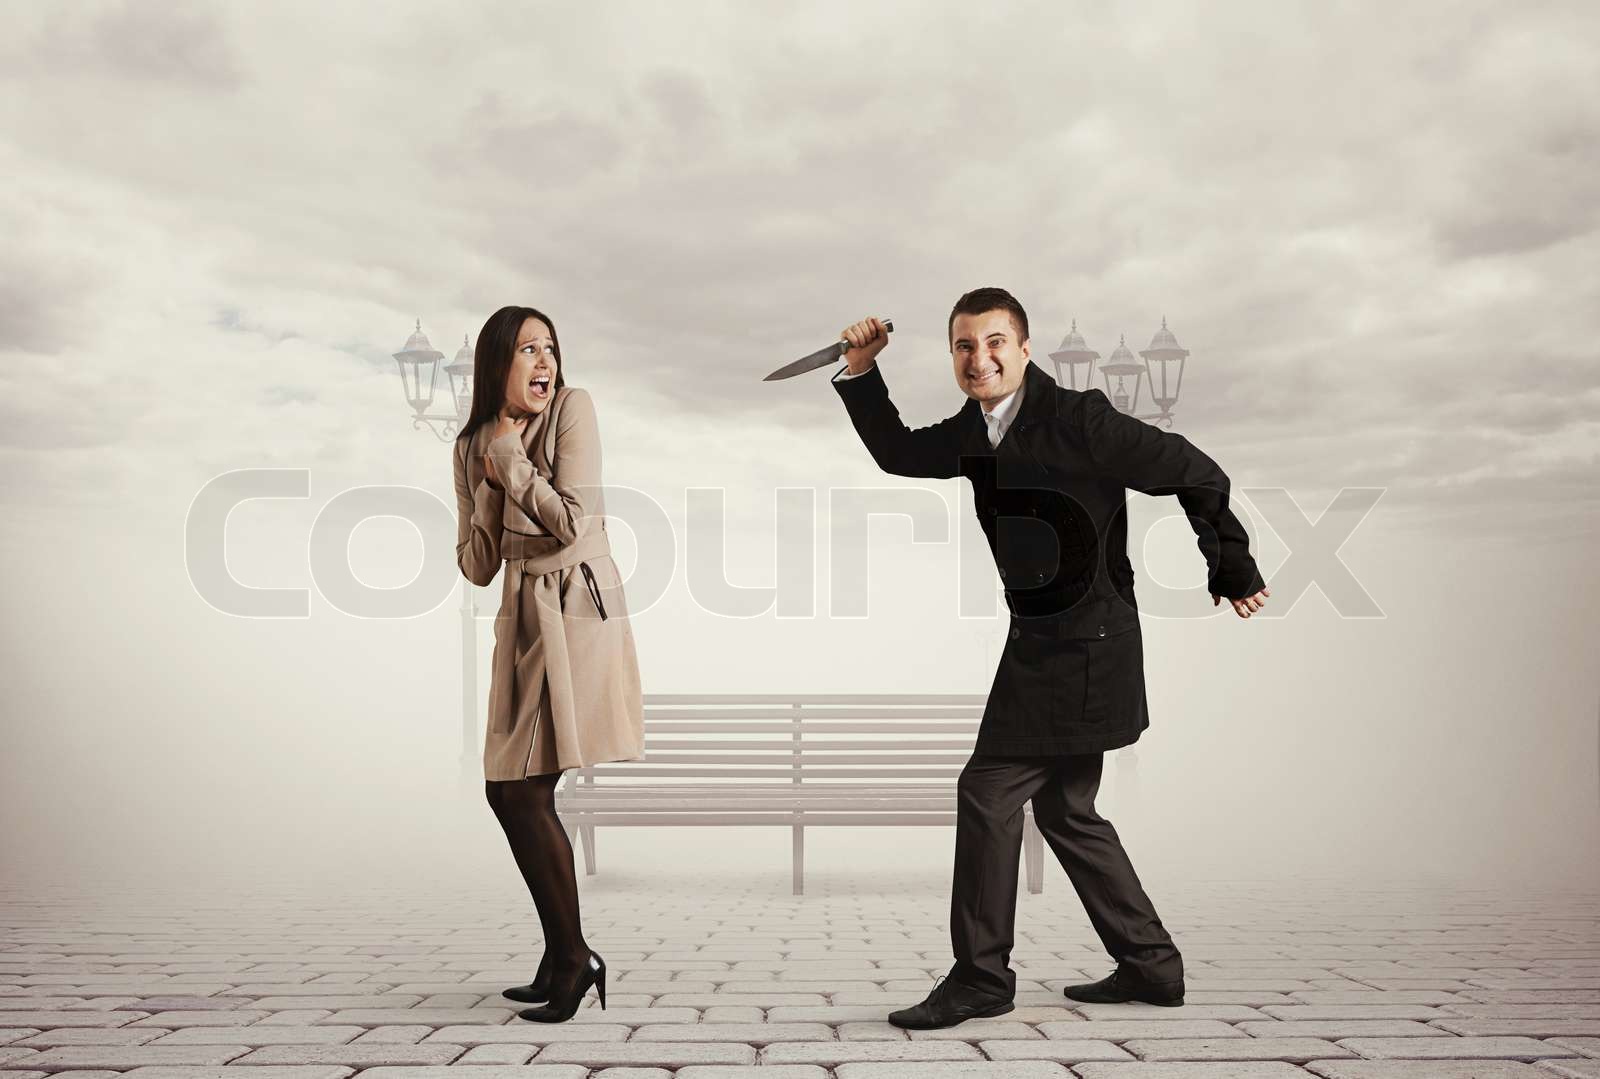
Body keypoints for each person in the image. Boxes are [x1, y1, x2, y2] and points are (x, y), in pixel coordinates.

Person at [830, 289, 1269, 1030]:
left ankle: (980, 978)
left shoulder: (1081, 420)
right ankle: (1151, 965)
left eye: (995, 342)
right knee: (1066, 809)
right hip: (1039, 642)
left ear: (1026, 349)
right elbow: (899, 451)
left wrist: (1229, 565)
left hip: (1089, 646)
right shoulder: (974, 431)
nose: (981, 358)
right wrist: (862, 372)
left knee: (988, 791)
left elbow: (1195, 470)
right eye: (965, 346)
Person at [451, 305, 645, 1022]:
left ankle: (572, 960)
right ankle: (560, 948)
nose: (544, 363)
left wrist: (509, 462)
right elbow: (476, 565)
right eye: (528, 349)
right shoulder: (472, 440)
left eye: (551, 349)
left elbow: (573, 522)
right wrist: (483, 486)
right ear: (496, 362)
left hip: (577, 610)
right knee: (510, 790)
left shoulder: (572, 409)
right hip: (522, 615)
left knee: (523, 791)